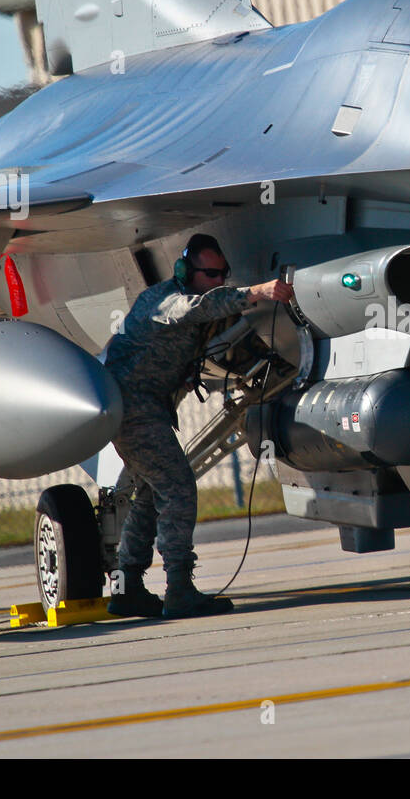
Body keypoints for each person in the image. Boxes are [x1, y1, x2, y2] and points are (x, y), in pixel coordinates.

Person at [103, 234, 293, 618]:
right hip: (134, 411)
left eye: (223, 274)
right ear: (184, 272)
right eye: (210, 273)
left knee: (151, 494)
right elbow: (195, 309)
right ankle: (179, 590)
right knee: (177, 487)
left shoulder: (195, 303)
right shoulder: (164, 300)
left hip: (142, 408)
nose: (218, 280)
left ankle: (128, 588)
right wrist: (256, 291)